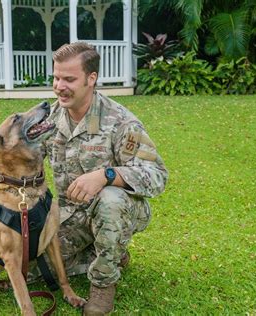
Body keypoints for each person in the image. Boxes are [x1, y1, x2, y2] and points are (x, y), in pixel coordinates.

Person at [43, 42, 168, 315]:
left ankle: (102, 285)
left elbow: (157, 176)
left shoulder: (120, 121)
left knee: (109, 198)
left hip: (119, 210)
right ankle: (107, 255)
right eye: (56, 77)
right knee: (34, 266)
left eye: (69, 79)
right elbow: (25, 156)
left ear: (92, 78)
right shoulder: (51, 118)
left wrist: (106, 176)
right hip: (70, 215)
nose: (59, 86)